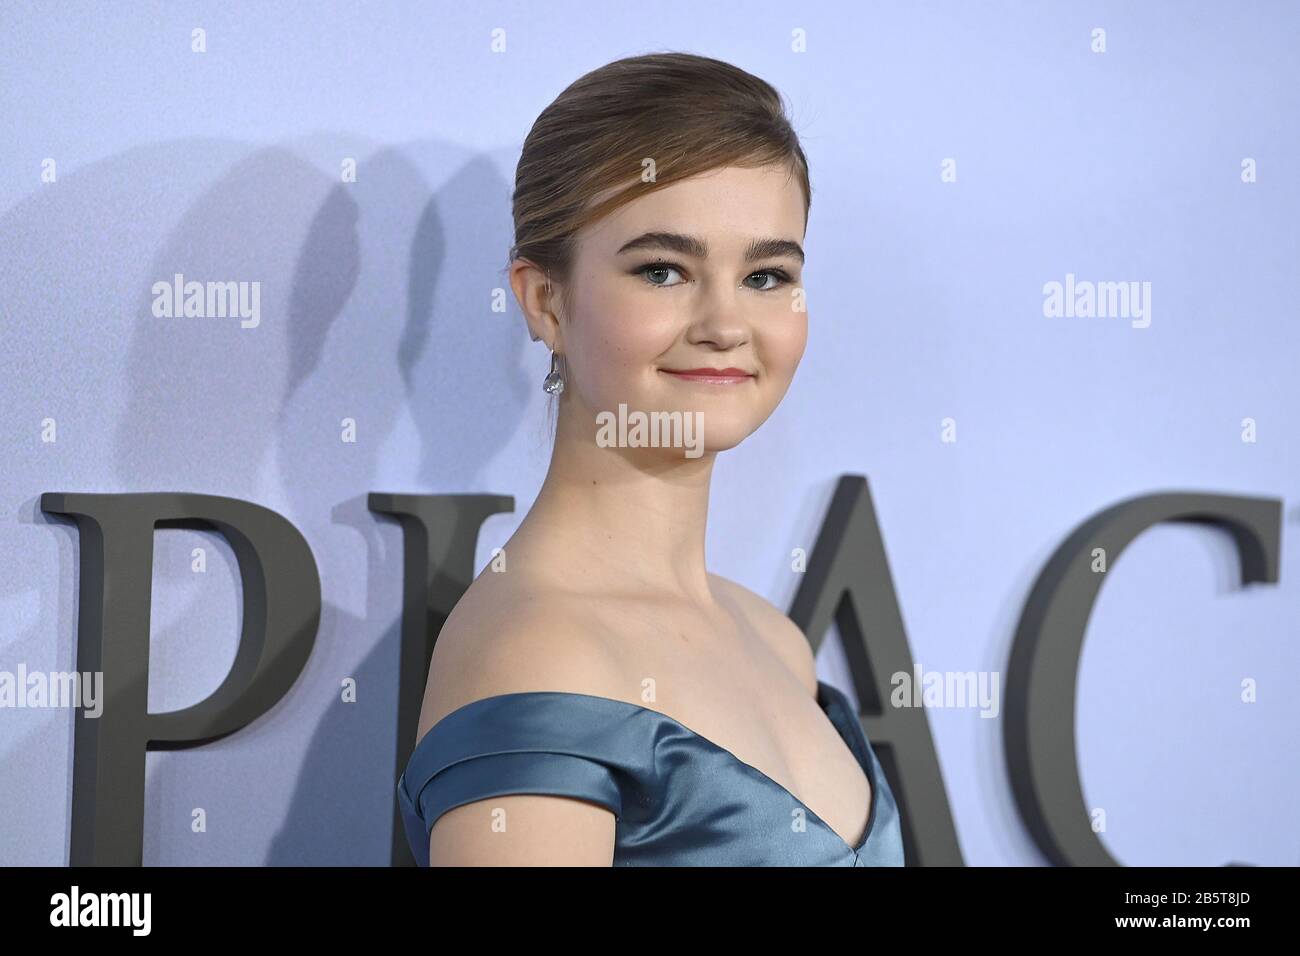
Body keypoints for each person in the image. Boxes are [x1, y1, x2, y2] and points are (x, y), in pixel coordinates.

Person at [397, 51, 904, 867]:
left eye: (768, 275)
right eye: (664, 270)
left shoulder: (776, 641)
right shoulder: (538, 654)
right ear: (544, 299)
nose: (725, 323)